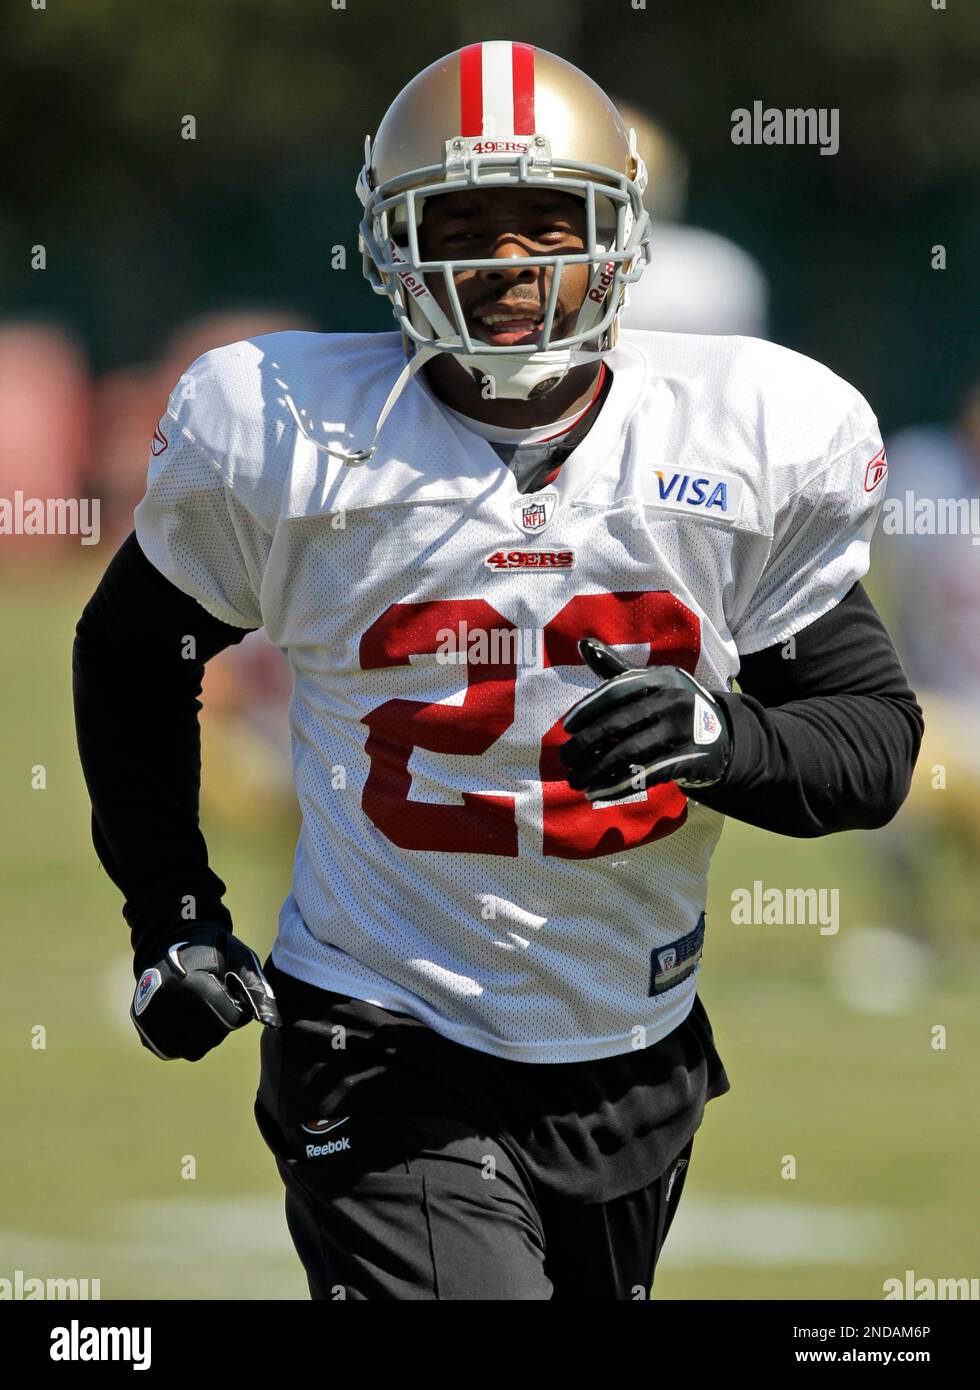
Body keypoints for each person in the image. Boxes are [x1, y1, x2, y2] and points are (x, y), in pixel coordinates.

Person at [72, 41, 923, 1301]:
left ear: (618, 236)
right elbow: (133, 653)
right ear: (390, 239)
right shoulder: (289, 436)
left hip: (629, 1050)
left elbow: (868, 745)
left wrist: (723, 737)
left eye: (547, 222)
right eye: (461, 222)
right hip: (376, 1033)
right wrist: (171, 908)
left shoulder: (745, 436)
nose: (507, 262)